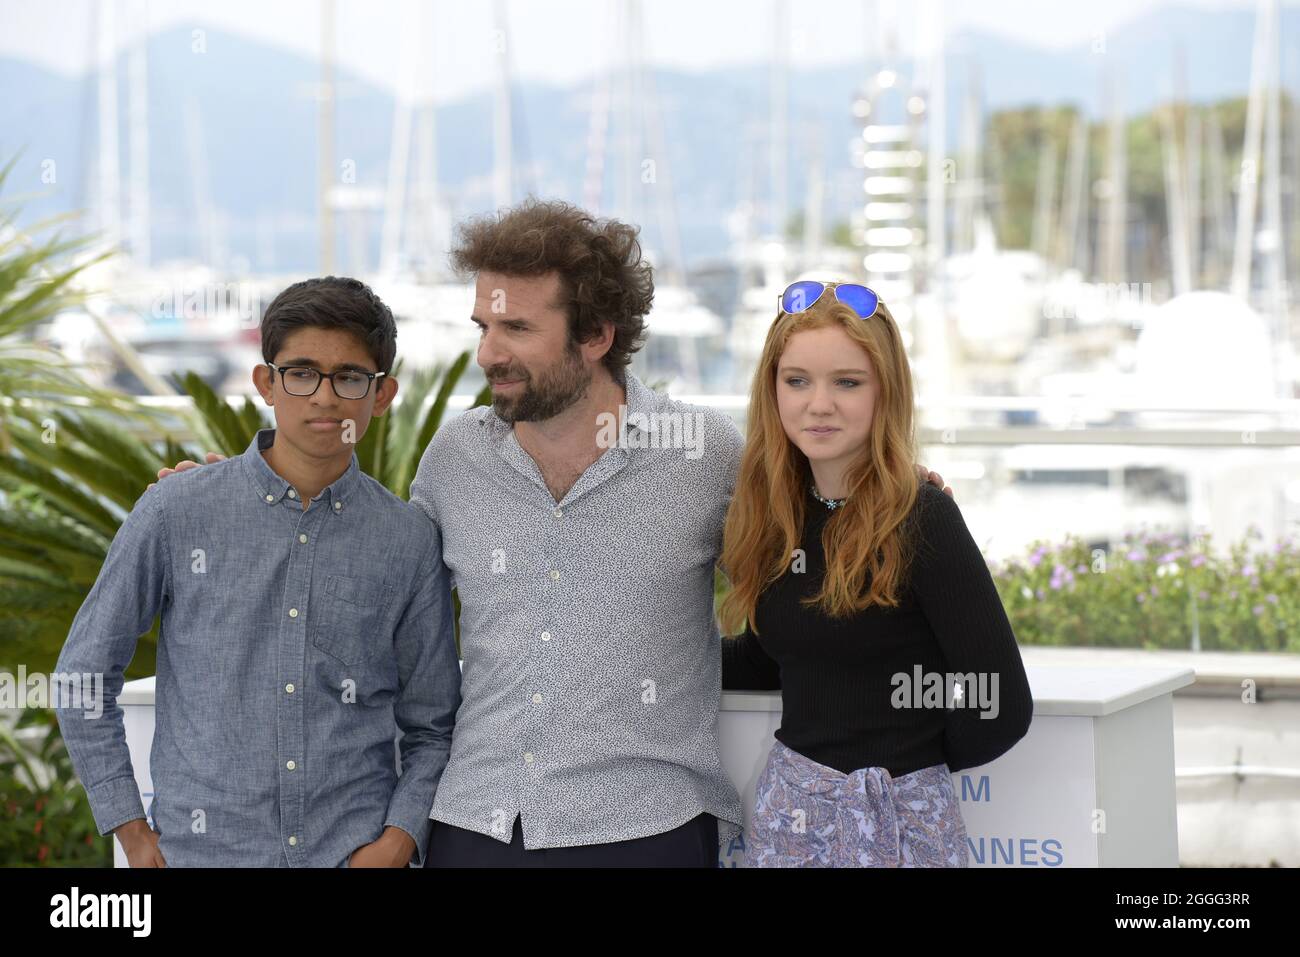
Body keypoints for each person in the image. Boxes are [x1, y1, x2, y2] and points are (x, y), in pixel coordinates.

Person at [157, 201, 952, 867]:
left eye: (516, 331)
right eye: (482, 326)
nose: (487, 354)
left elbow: (818, 534)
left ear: (596, 334)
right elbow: (357, 542)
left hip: (646, 826)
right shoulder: (456, 455)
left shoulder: (704, 454)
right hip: (473, 823)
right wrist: (231, 486)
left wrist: (906, 493)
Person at [54, 277, 462, 867]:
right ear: (266, 382)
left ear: (382, 394)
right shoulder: (177, 510)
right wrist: (132, 833)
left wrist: (396, 843)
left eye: (349, 376)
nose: (324, 397)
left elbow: (433, 724)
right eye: (301, 372)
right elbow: (83, 675)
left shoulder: (408, 540)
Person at [719, 280, 1033, 867]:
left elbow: (999, 702)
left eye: (847, 382)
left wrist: (907, 771)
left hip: (901, 825)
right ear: (772, 390)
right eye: (797, 380)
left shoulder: (922, 514)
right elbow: (772, 658)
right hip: (791, 823)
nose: (819, 403)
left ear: (885, 391)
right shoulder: (776, 514)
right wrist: (648, 658)